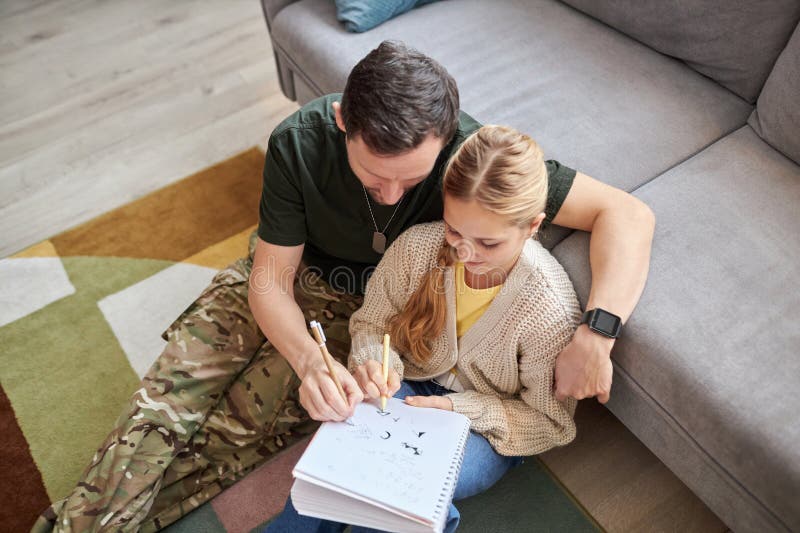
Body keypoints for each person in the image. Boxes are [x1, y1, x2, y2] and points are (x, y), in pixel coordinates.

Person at [34, 40, 654, 532]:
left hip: (365, 317)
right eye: (372, 174)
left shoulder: (472, 160)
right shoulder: (299, 142)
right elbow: (270, 281)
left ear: (444, 144)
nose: (390, 195)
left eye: (409, 181)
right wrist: (309, 362)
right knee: (164, 406)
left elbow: (627, 214)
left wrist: (597, 335)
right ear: (341, 121)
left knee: (234, 438)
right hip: (281, 290)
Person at [265, 125, 583, 533]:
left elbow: (548, 421)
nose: (466, 254)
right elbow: (372, 321)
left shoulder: (549, 310)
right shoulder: (418, 247)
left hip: (484, 427)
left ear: (533, 226)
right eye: (455, 231)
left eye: (488, 244)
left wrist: (459, 408)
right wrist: (374, 362)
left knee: (398, 489)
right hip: (406, 388)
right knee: (334, 470)